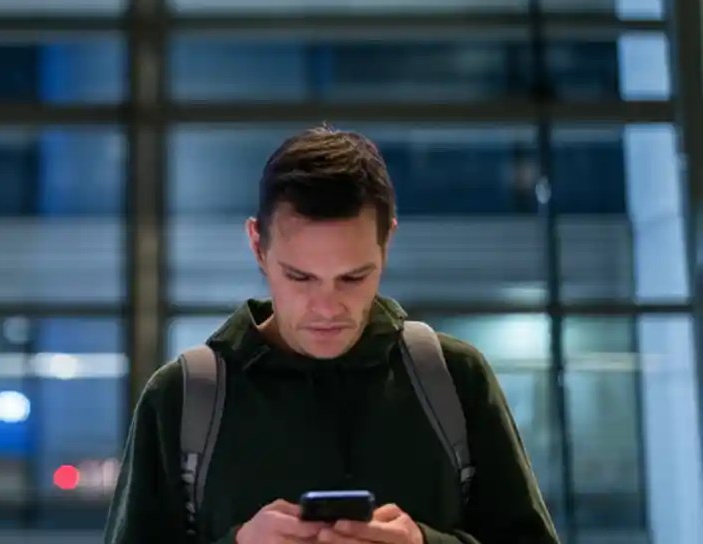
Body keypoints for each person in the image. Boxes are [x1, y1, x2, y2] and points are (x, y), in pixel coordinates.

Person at [103, 126, 560, 544]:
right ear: (257, 247)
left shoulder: (454, 379)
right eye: (299, 278)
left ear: (387, 244)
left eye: (353, 278)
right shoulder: (182, 399)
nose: (326, 308)